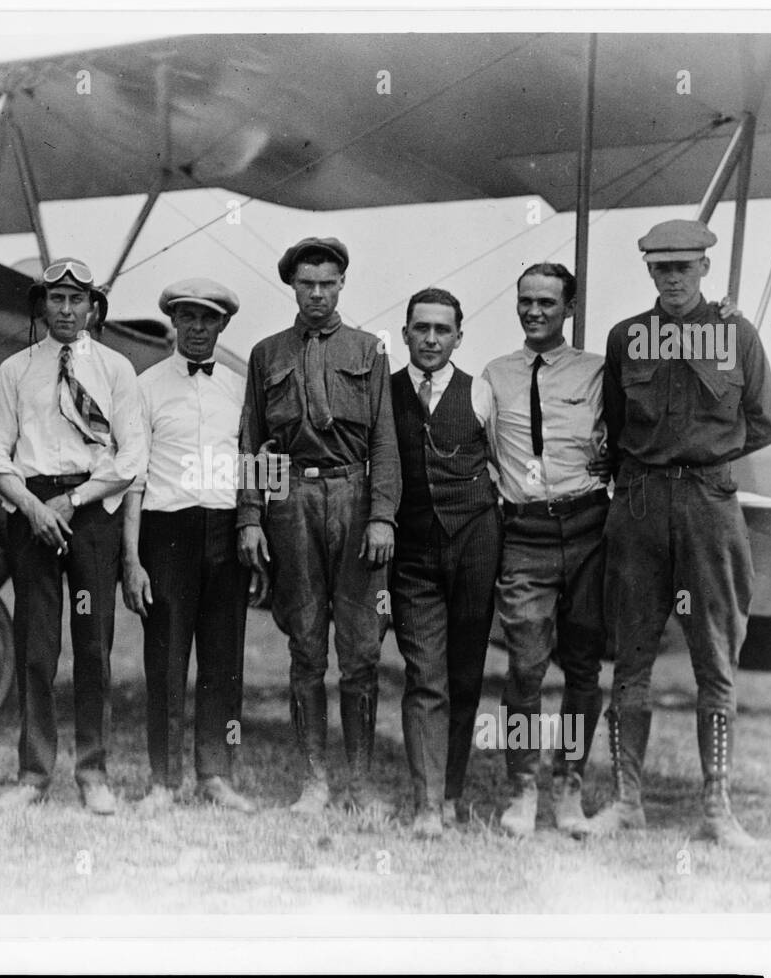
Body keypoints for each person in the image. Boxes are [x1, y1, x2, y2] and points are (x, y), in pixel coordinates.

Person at [581, 220, 771, 846]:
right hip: (638, 505)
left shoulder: (735, 334)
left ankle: (718, 811)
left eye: (684, 268)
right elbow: (612, 422)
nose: (673, 278)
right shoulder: (626, 338)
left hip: (707, 506)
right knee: (632, 659)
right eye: (662, 269)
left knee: (716, 660)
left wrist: (707, 453)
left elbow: (764, 421)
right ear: (649, 272)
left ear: (702, 270)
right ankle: (626, 801)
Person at [237, 237, 401, 815]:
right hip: (292, 499)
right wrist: (251, 517)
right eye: (307, 284)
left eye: (328, 283)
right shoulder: (267, 354)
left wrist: (382, 515)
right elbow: (253, 442)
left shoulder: (369, 350)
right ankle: (315, 781)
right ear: (292, 286)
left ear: (342, 285)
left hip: (355, 499)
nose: (318, 294)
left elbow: (384, 438)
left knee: (360, 651)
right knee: (305, 646)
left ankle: (358, 784)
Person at [0, 258, 145, 815]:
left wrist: (72, 501)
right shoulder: (15, 371)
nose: (67, 309)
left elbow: (130, 459)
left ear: (93, 308)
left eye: (78, 300)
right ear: (41, 305)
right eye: (56, 299)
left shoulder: (117, 370)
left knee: (93, 647)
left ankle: (94, 772)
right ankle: (33, 773)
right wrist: (31, 505)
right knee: (35, 646)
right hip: (32, 514)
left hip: (91, 512)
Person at [481, 263, 610, 838]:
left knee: (583, 667)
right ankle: (522, 788)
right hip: (525, 535)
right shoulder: (495, 374)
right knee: (525, 668)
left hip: (587, 529)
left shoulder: (599, 372)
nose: (535, 312)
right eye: (525, 301)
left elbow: (628, 437)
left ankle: (570, 785)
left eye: (547, 303)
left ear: (569, 309)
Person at [122, 278, 256, 814]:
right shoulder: (144, 386)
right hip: (165, 531)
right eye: (187, 318)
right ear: (173, 323)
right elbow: (132, 477)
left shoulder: (241, 388)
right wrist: (131, 559)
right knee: (166, 658)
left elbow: (254, 466)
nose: (197, 329)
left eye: (208, 319)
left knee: (224, 662)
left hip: (226, 529)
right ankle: (164, 780)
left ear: (223, 325)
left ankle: (216, 776)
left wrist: (255, 527)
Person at [389, 288, 502, 838]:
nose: (430, 339)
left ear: (459, 336)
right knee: (424, 675)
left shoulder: (481, 393)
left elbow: (505, 468)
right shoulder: (383, 394)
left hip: (475, 545)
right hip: (411, 554)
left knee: (464, 675)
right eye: (420, 328)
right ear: (405, 332)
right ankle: (427, 805)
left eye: (442, 329)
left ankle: (452, 792)